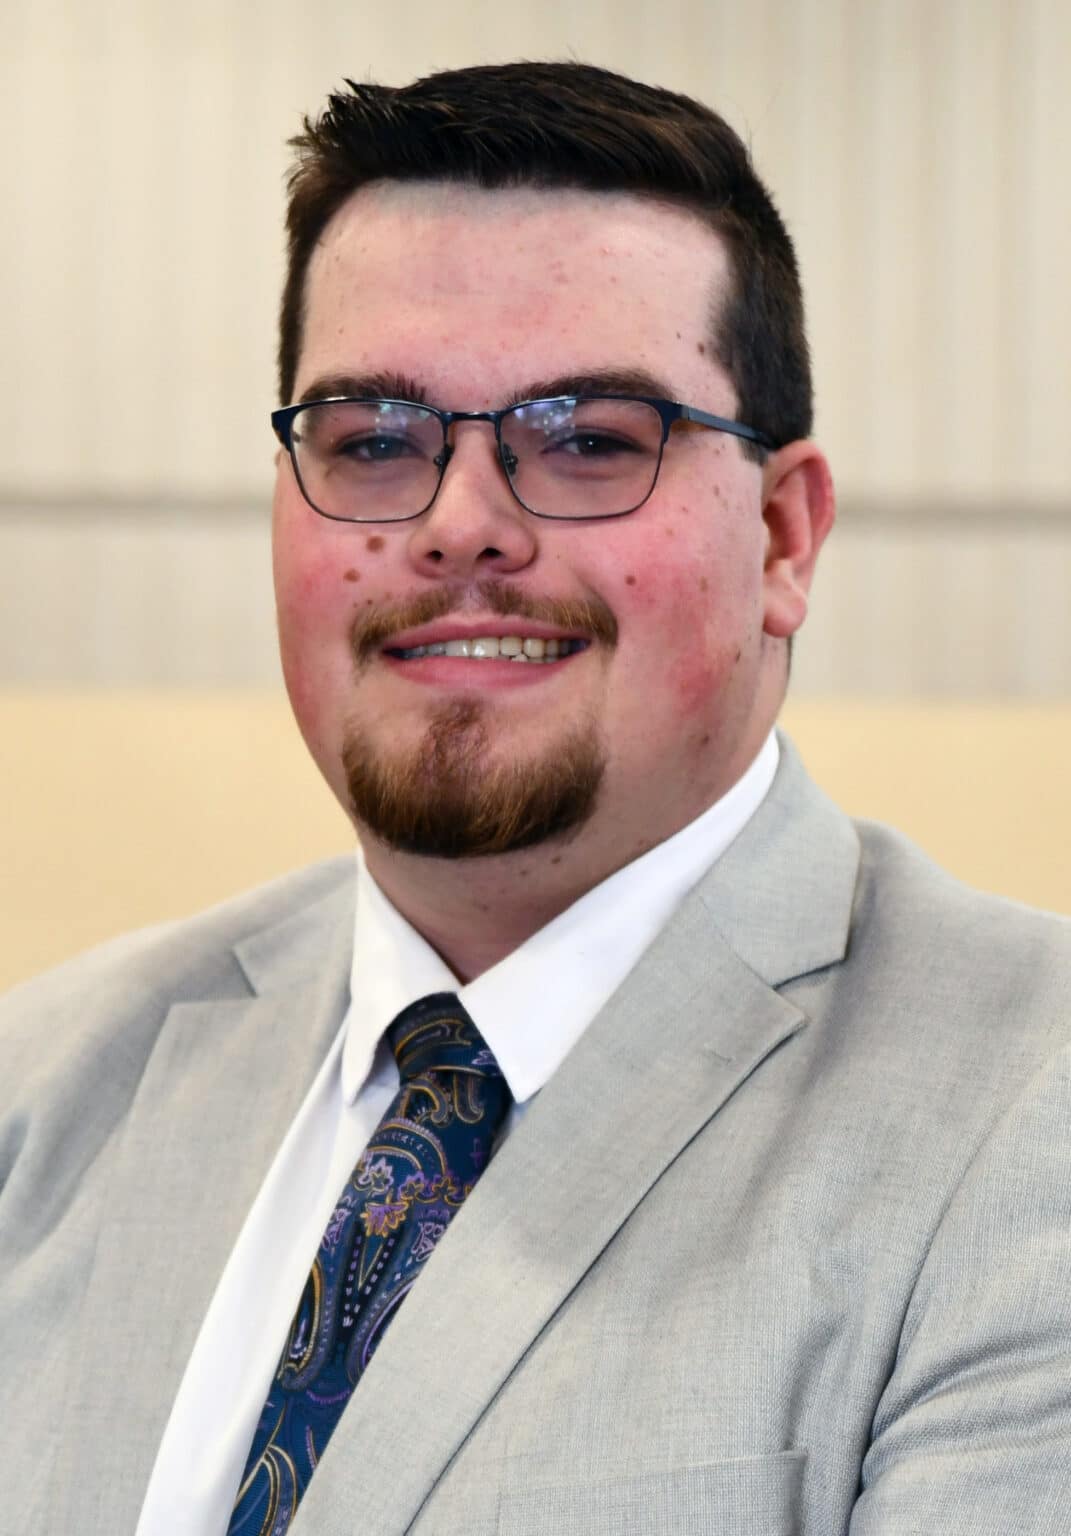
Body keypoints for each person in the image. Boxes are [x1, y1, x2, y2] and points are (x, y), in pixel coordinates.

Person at [2, 61, 1069, 1536]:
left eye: (587, 439)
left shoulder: (1029, 1118)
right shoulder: (41, 1094)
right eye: (373, 438)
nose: (461, 527)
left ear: (780, 535)